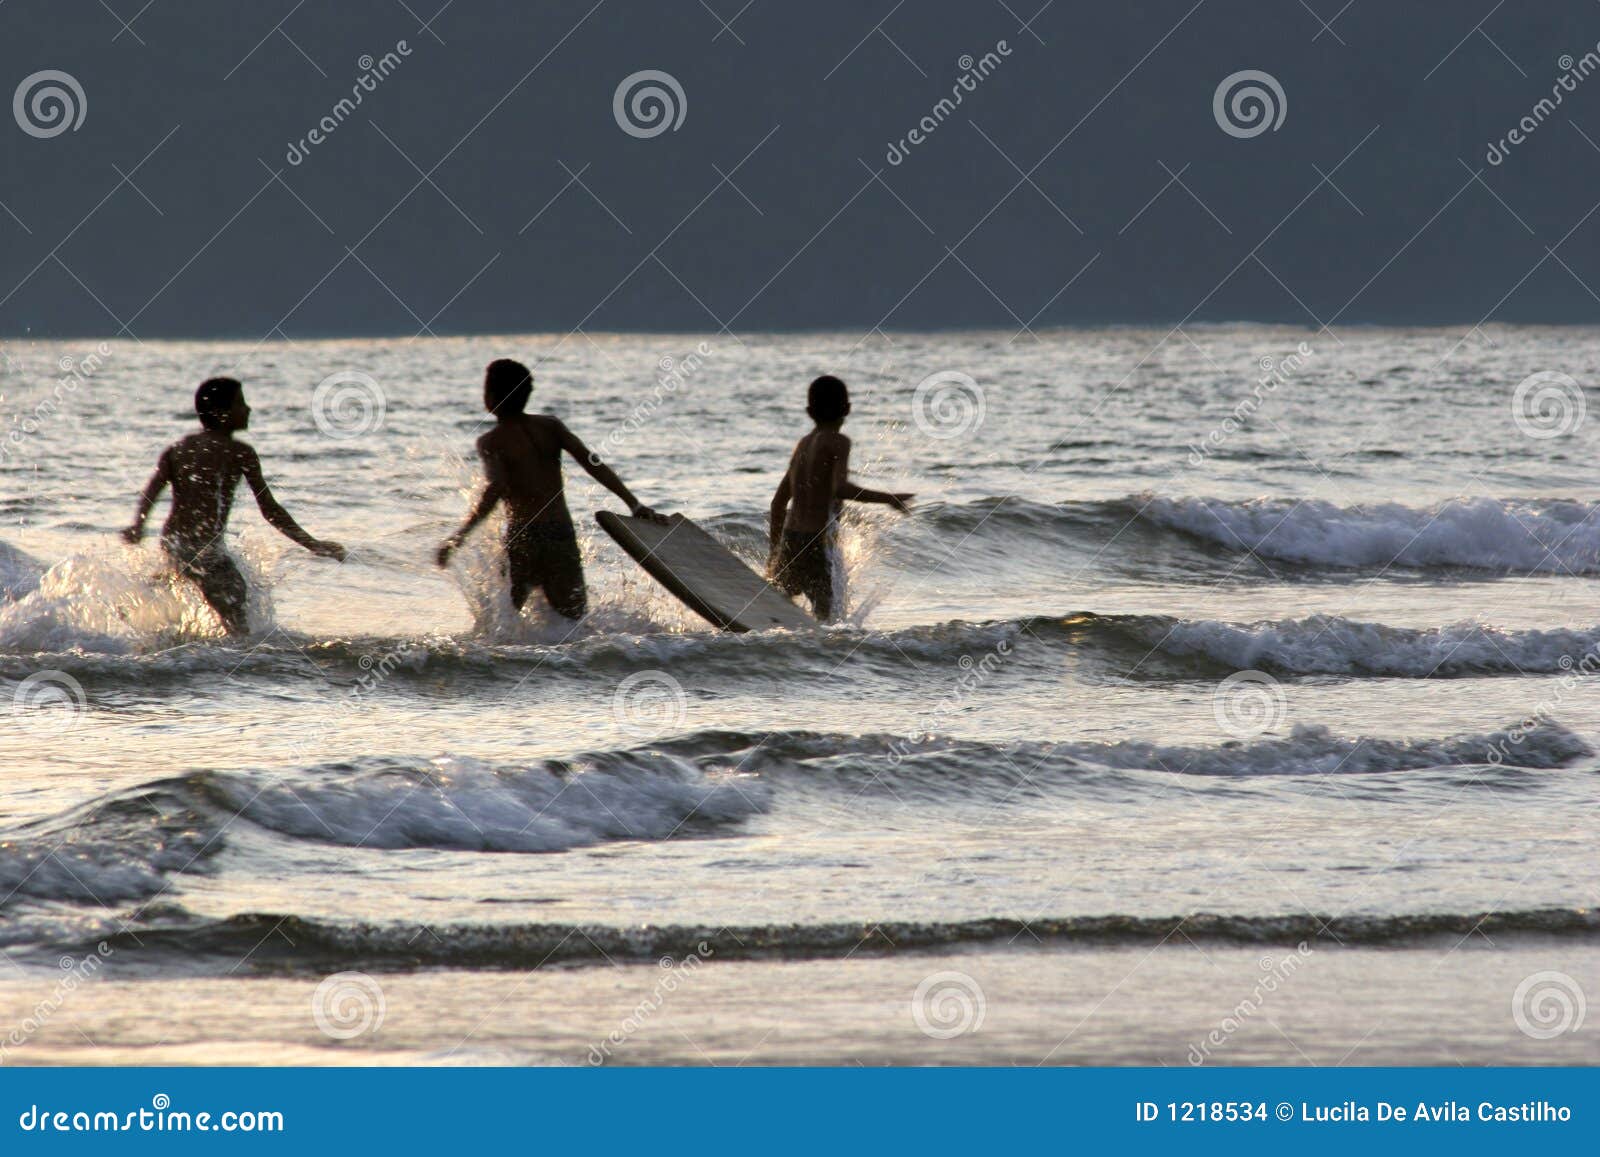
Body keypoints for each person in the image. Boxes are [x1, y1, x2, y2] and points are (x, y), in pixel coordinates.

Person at [436, 358, 662, 620]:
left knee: (504, 623)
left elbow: (495, 490)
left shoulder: (491, 441)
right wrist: (633, 503)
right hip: (560, 535)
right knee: (574, 622)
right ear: (526, 395)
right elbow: (592, 464)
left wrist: (460, 537)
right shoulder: (550, 427)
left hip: (524, 539)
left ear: (491, 396)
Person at [122, 377, 346, 635]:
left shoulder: (178, 449)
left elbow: (152, 490)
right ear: (221, 414)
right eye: (241, 403)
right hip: (205, 550)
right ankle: (236, 664)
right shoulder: (238, 452)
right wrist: (314, 544)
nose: (248, 409)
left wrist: (138, 525)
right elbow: (270, 510)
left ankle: (134, 612)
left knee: (174, 585)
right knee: (237, 611)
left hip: (174, 541)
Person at [768, 375, 912, 621]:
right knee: (827, 621)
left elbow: (778, 503)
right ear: (847, 409)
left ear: (809, 411)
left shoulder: (802, 444)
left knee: (776, 608)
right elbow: (840, 489)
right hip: (816, 543)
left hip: (791, 540)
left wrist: (774, 552)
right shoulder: (838, 442)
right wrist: (888, 498)